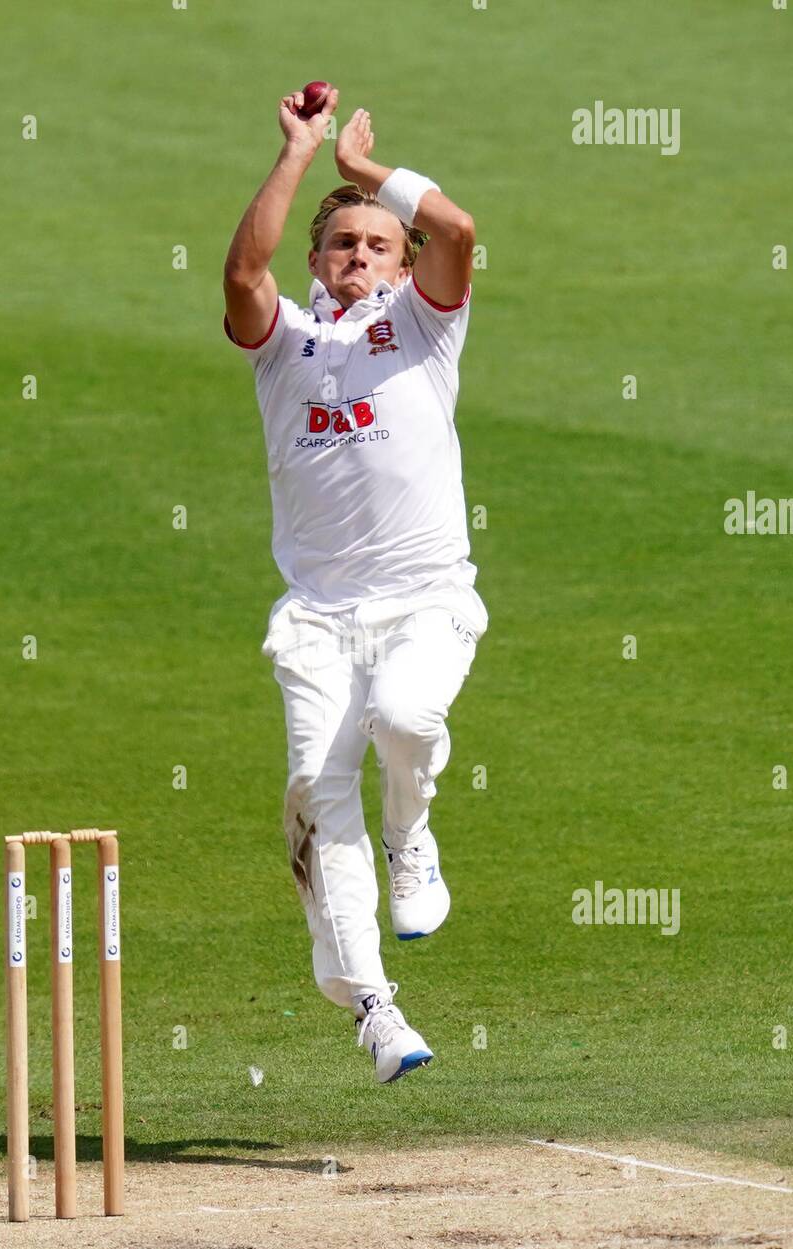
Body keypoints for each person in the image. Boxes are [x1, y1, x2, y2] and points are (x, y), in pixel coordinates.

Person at [223, 86, 488, 1083]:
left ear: (403, 260)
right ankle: (374, 1008)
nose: (361, 258)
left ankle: (410, 839)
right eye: (343, 246)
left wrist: (373, 174)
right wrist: (301, 153)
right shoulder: (285, 339)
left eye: (379, 244)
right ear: (317, 260)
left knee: (407, 717)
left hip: (423, 597)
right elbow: (242, 271)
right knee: (313, 792)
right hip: (318, 621)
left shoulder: (426, 328)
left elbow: (455, 228)